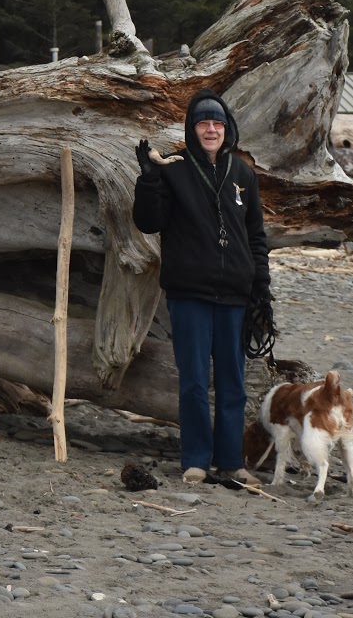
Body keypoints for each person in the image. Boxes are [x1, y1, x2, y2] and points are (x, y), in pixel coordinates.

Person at [132, 88, 272, 485]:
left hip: (234, 294)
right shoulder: (174, 169)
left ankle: (232, 461)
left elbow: (256, 235)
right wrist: (148, 180)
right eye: (203, 123)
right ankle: (195, 459)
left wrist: (260, 286)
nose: (211, 130)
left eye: (217, 123)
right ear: (192, 129)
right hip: (188, 291)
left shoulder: (242, 173)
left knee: (233, 381)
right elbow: (149, 222)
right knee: (193, 380)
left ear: (227, 129)